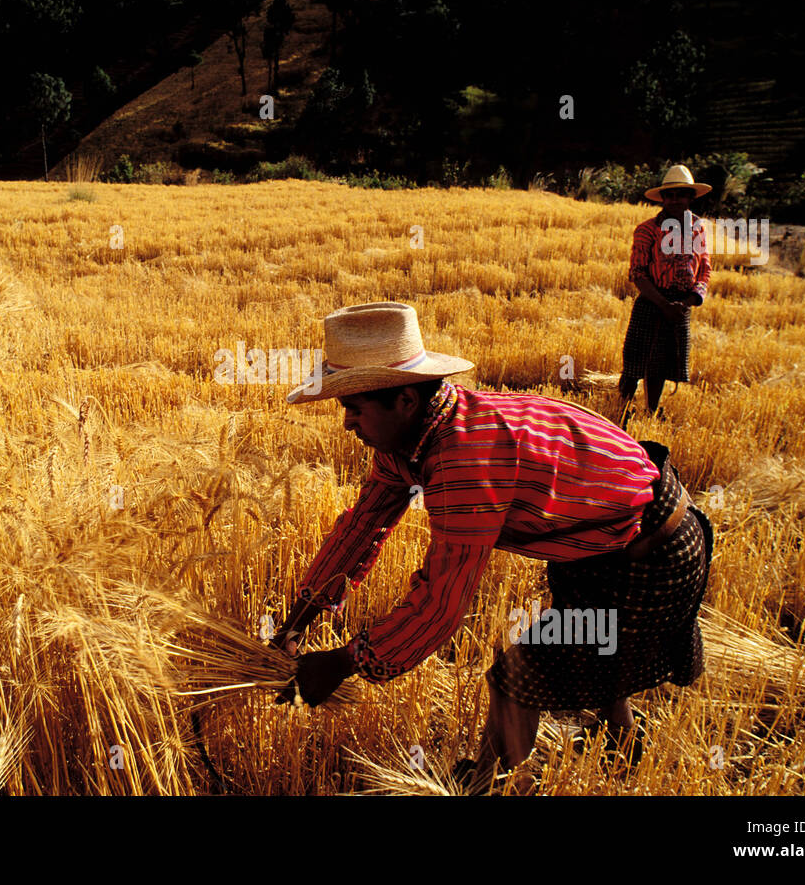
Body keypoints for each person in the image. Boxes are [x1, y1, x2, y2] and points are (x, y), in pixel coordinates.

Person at [270, 301, 713, 792]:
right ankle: (625, 750)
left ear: (405, 402)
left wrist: (343, 662)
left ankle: (491, 786)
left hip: (652, 549)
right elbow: (362, 529)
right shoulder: (410, 441)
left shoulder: (466, 458)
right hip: (591, 544)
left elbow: (442, 603)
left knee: (519, 675)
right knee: (586, 646)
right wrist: (297, 622)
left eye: (355, 409)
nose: (347, 424)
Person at [618, 164, 713, 426]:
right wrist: (662, 303)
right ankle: (622, 409)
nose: (674, 200)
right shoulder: (647, 229)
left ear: (690, 198)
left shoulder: (698, 228)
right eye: (669, 196)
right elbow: (637, 272)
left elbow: (704, 269)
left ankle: (651, 410)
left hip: (681, 304)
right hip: (651, 300)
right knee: (635, 359)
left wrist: (687, 301)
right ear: (663, 199)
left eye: (680, 195)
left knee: (661, 362)